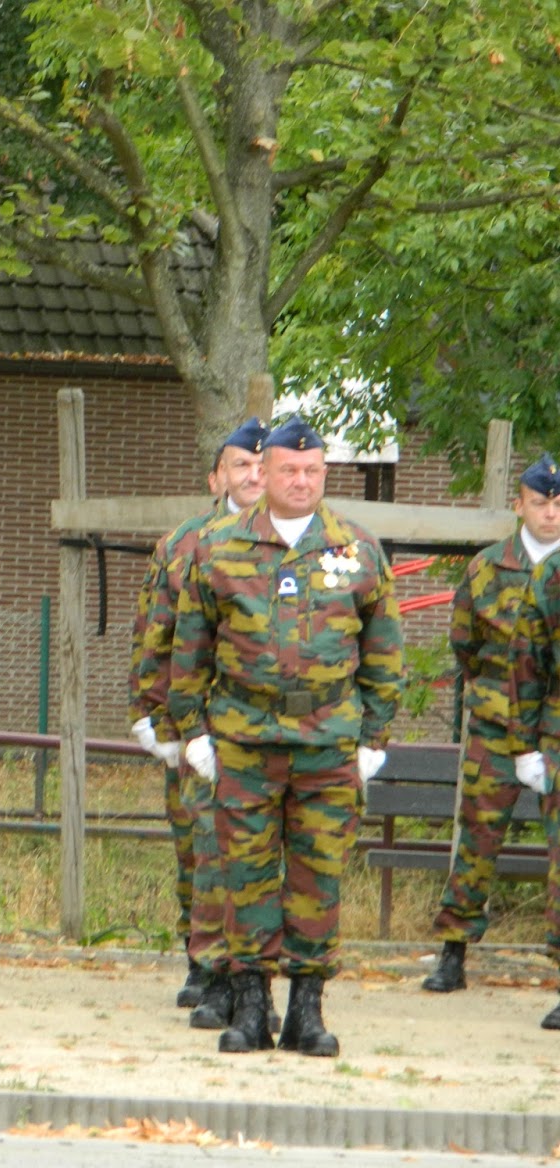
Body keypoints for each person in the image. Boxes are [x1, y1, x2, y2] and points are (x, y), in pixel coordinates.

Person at [169, 415, 403, 1056]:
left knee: (317, 877)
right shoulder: (217, 548)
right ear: (262, 473)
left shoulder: (356, 550)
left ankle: (307, 1009)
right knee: (245, 878)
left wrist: (374, 737)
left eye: (313, 471)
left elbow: (383, 649)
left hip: (328, 741)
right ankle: (250, 1006)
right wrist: (192, 733)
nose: (301, 481)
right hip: (244, 738)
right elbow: (190, 650)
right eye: (288, 470)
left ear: (324, 474)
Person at [129, 416, 265, 1015]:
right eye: (241, 465)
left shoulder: (296, 540)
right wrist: (153, 719)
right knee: (198, 847)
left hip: (263, 728)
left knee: (248, 852)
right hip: (195, 723)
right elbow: (154, 635)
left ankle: (238, 969)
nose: (254, 476)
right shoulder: (182, 544)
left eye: (264, 466)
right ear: (217, 476)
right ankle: (199, 956)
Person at [419, 455, 560, 994]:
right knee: (477, 838)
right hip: (496, 727)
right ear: (519, 504)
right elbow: (465, 644)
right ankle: (453, 950)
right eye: (539, 503)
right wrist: (494, 698)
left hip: (554, 731)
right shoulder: (486, 567)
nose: (549, 513)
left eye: (556, 503)